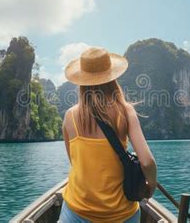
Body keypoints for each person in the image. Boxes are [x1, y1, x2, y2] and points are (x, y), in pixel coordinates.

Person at [59, 47, 157, 223]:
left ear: (82, 81)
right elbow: (147, 162)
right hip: (121, 215)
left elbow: (74, 161)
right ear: (112, 78)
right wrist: (152, 185)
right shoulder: (125, 112)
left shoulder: (69, 116)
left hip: (77, 212)